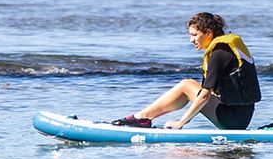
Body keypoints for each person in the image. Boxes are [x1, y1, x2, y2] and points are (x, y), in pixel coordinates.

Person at [111, 12, 261, 130]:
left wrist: (181, 122)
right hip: (242, 116)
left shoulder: (219, 53)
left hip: (233, 120)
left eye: (194, 35)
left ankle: (142, 118)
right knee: (188, 85)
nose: (191, 40)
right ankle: (143, 118)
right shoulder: (227, 48)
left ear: (208, 33)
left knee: (186, 85)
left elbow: (204, 96)